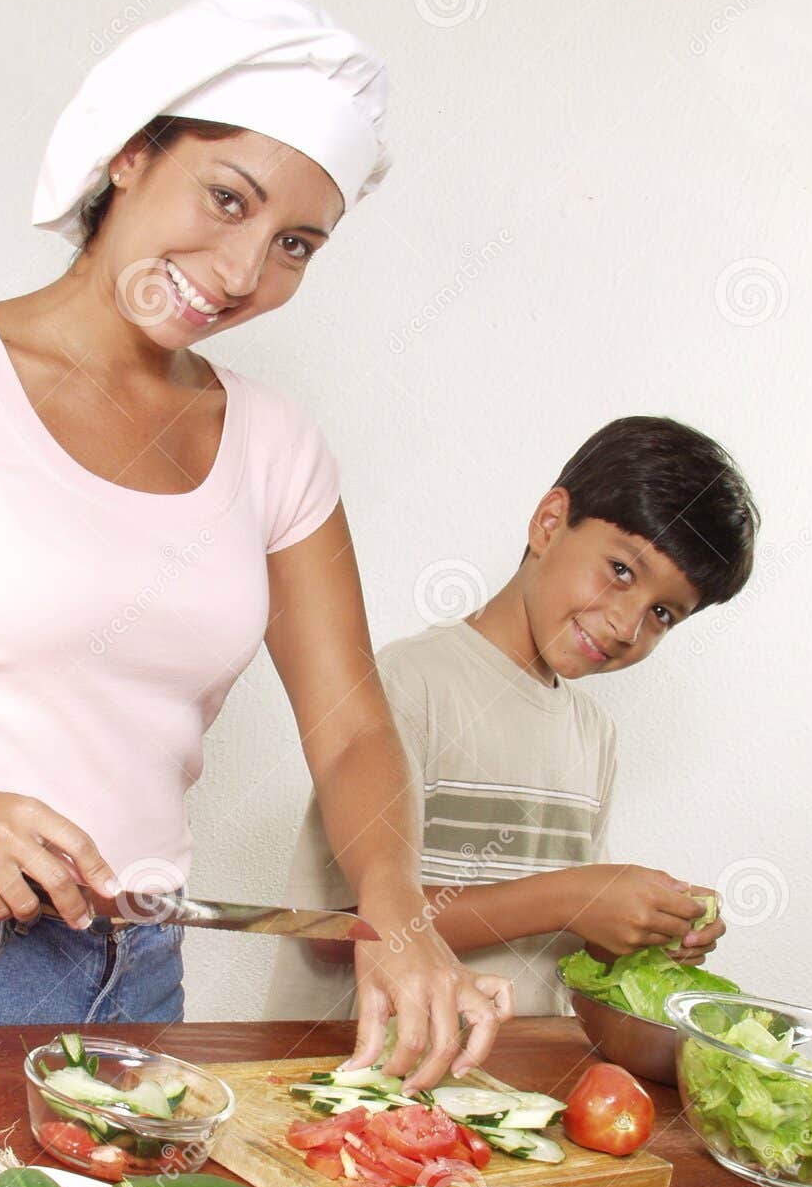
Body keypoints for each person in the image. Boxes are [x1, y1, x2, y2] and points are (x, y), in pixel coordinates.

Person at [0, 0, 509, 1085]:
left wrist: (401, 914)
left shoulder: (275, 447)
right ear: (130, 154)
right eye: (225, 199)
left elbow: (353, 725)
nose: (239, 274)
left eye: (295, 245)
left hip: (142, 966)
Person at [265, 414, 760, 1035]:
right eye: (622, 571)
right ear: (550, 523)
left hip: (512, 1089)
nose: (626, 625)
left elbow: (557, 942)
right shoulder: (408, 684)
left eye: (661, 612)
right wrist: (575, 896)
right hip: (361, 1087)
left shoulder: (594, 737)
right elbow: (336, 931)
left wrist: (634, 931)